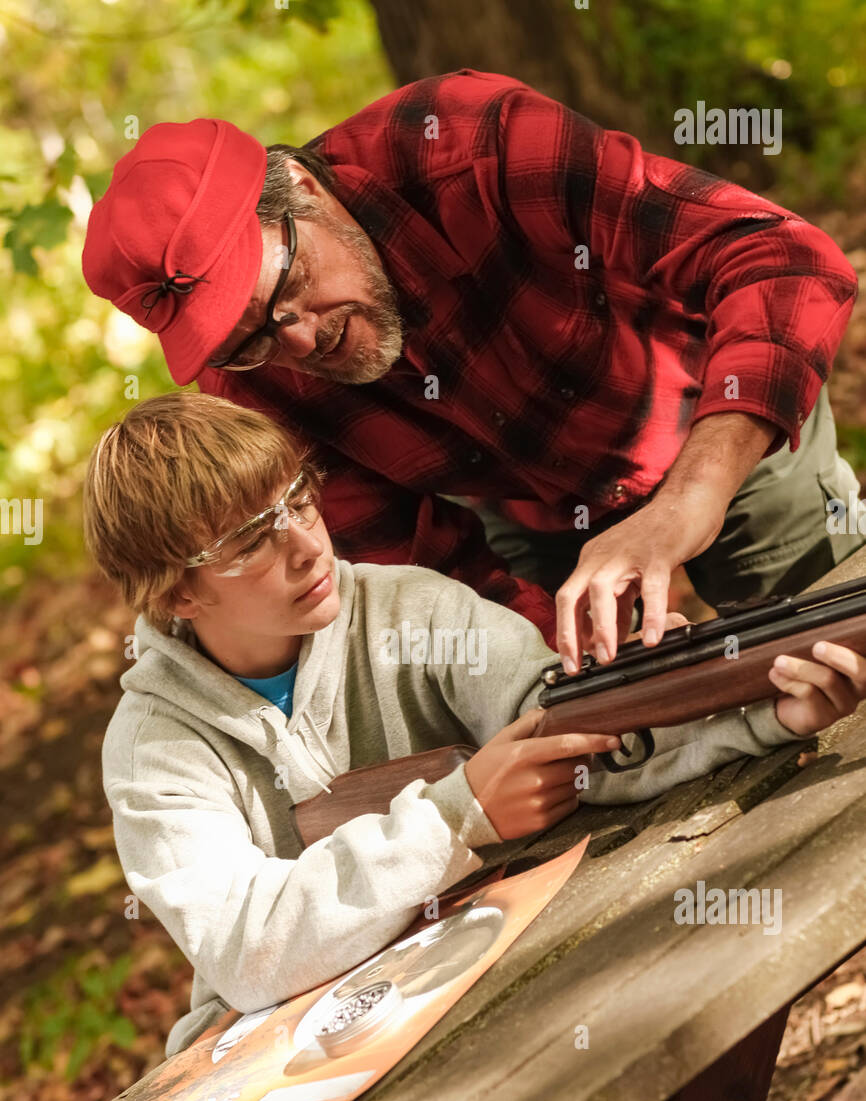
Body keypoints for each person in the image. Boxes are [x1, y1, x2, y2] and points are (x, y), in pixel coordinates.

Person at [83, 393, 866, 1058]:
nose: (303, 544)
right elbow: (247, 951)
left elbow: (583, 734)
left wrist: (766, 713)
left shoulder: (411, 609)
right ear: (177, 596)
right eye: (252, 540)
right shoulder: (154, 750)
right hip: (278, 1057)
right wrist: (460, 815)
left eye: (298, 498)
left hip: (468, 982)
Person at [81, 70, 864, 675]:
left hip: (721, 424)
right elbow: (415, 565)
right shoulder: (249, 381)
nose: (299, 342)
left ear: (306, 191)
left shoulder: (472, 141)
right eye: (250, 337)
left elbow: (784, 259)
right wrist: (579, 668)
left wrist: (691, 499)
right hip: (537, 515)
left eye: (284, 291)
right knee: (600, 715)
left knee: (833, 650)